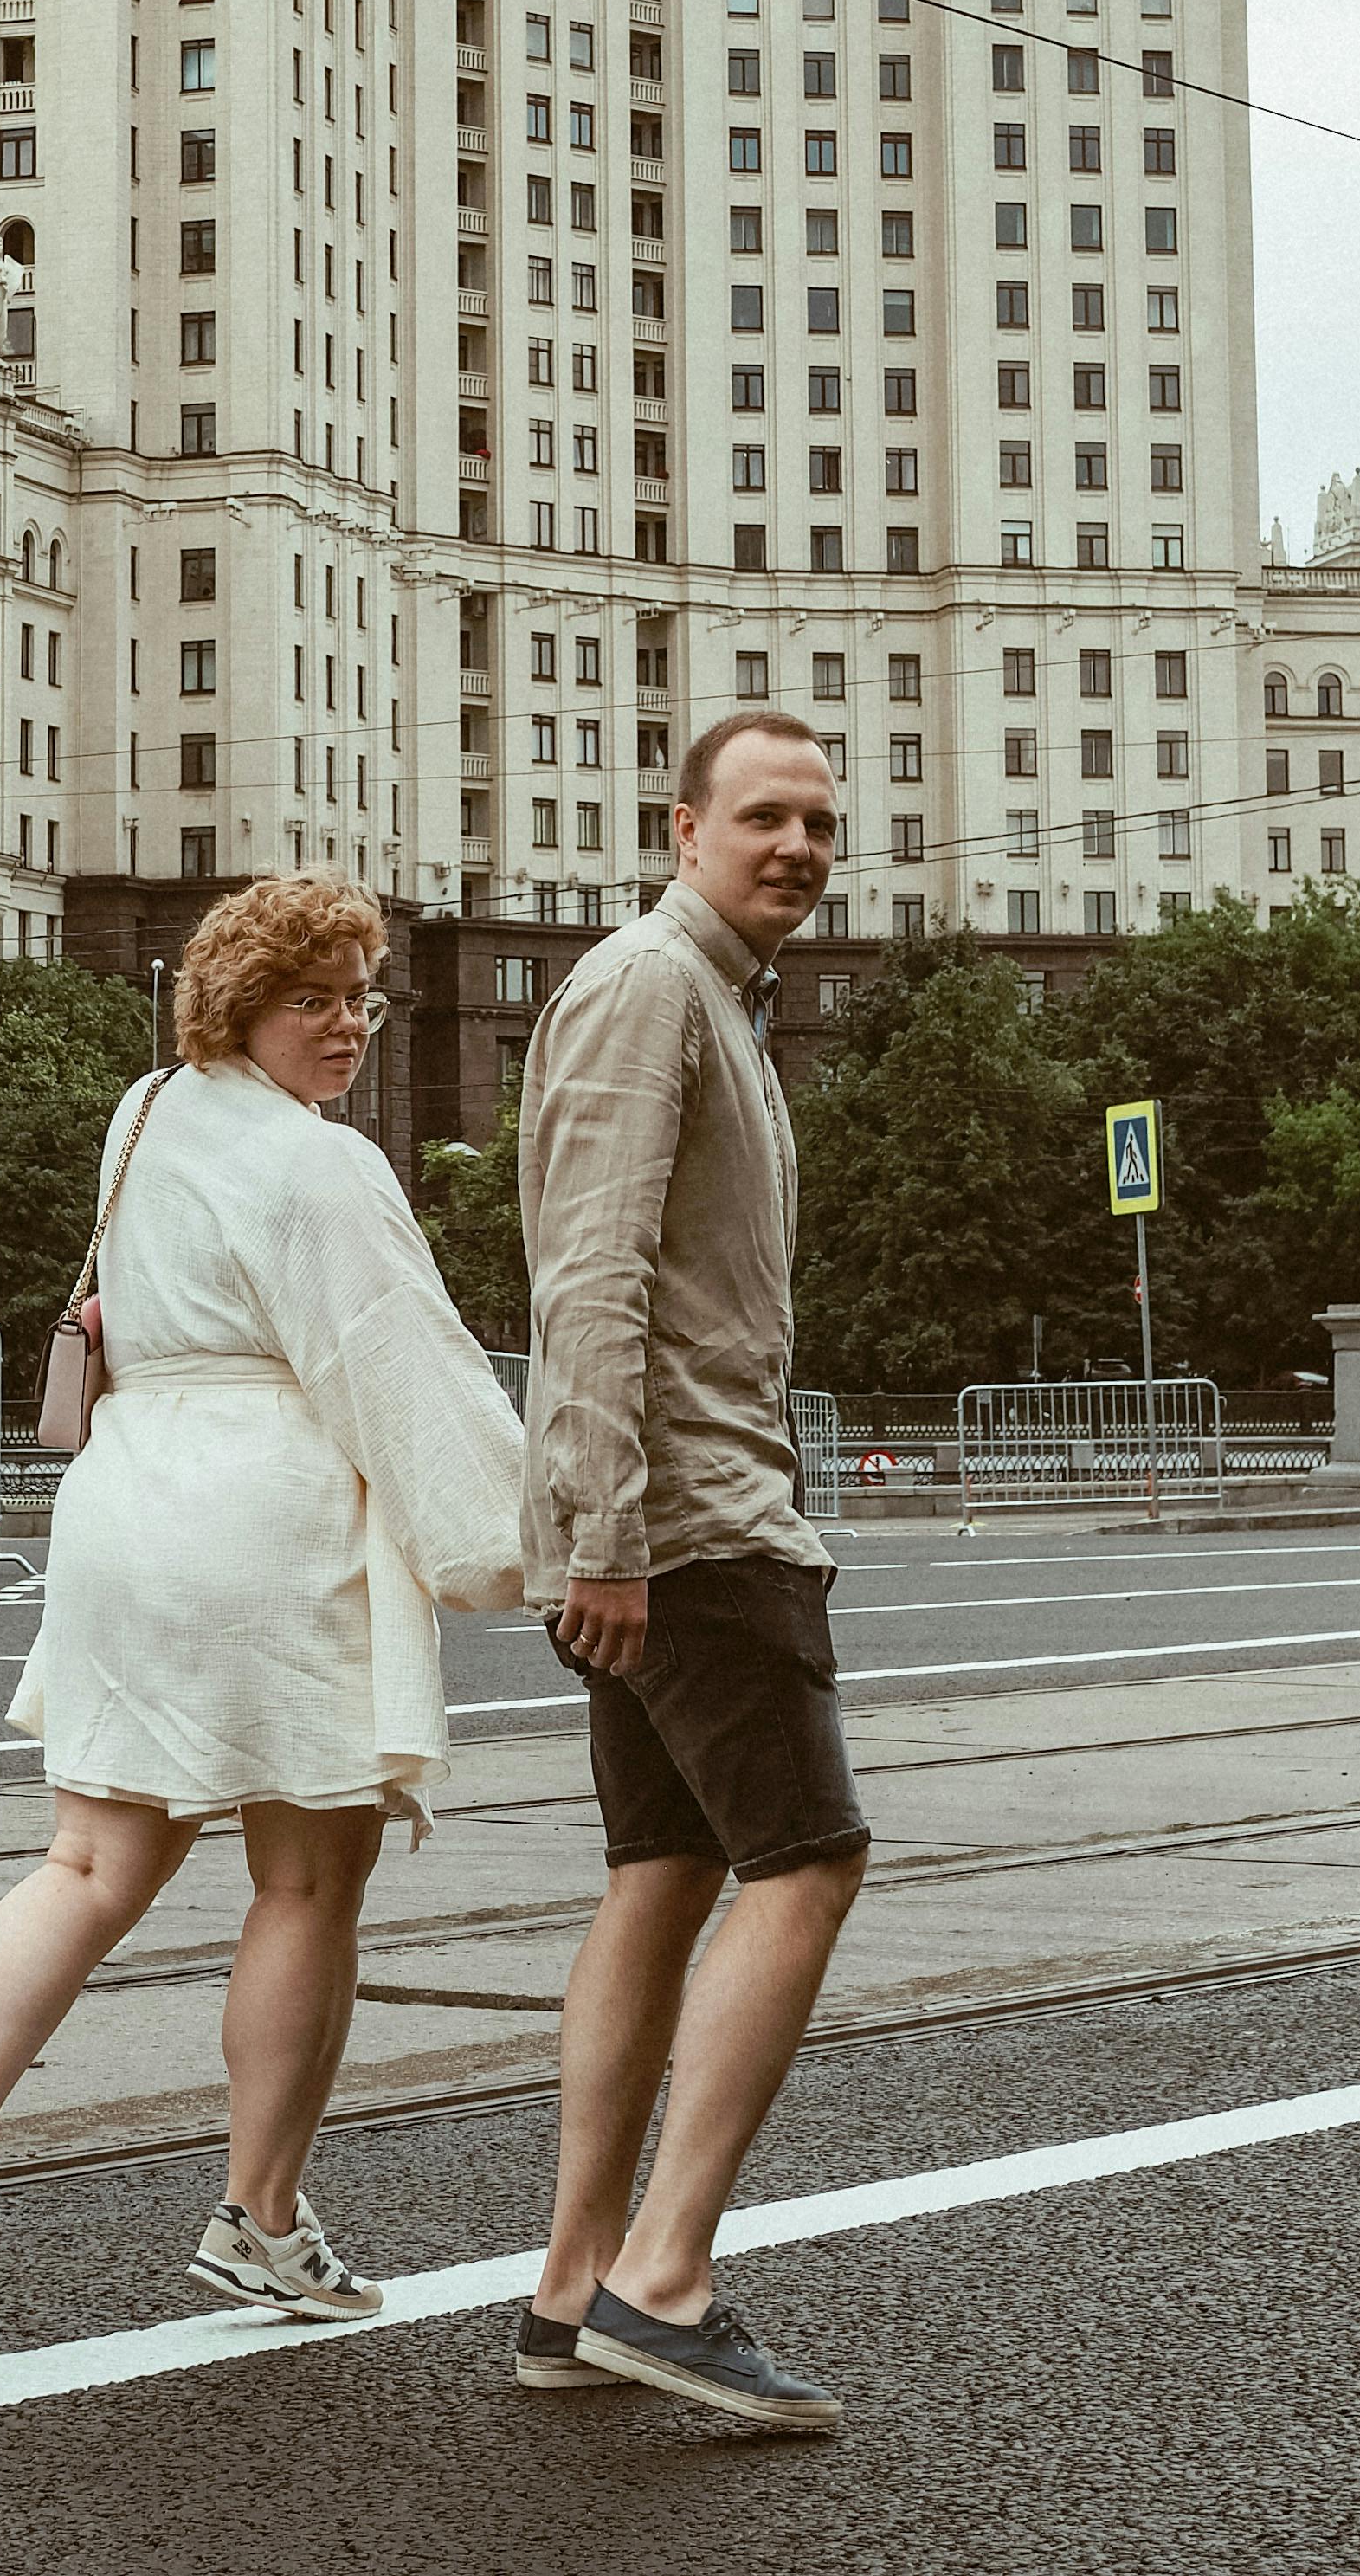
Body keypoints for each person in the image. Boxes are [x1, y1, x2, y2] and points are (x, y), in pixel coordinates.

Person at [0, 871, 525, 2357]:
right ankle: (261, 2221)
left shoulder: (146, 1108)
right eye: (316, 996)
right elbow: (393, 1362)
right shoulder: (325, 1163)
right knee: (304, 1886)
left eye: (363, 993)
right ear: (241, 1004)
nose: (349, 1023)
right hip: (265, 1523)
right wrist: (519, 1534)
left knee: (88, 1858)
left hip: (123, 1505)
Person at [512, 709, 868, 2437]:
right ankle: (666, 2276)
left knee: (662, 1868)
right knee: (805, 1862)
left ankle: (575, 2285)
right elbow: (589, 1281)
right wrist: (612, 1531)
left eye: (820, 820)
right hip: (690, 1519)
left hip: (663, 1512)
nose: (798, 845)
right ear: (683, 826)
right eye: (765, 816)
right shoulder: (653, 986)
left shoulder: (709, 996)